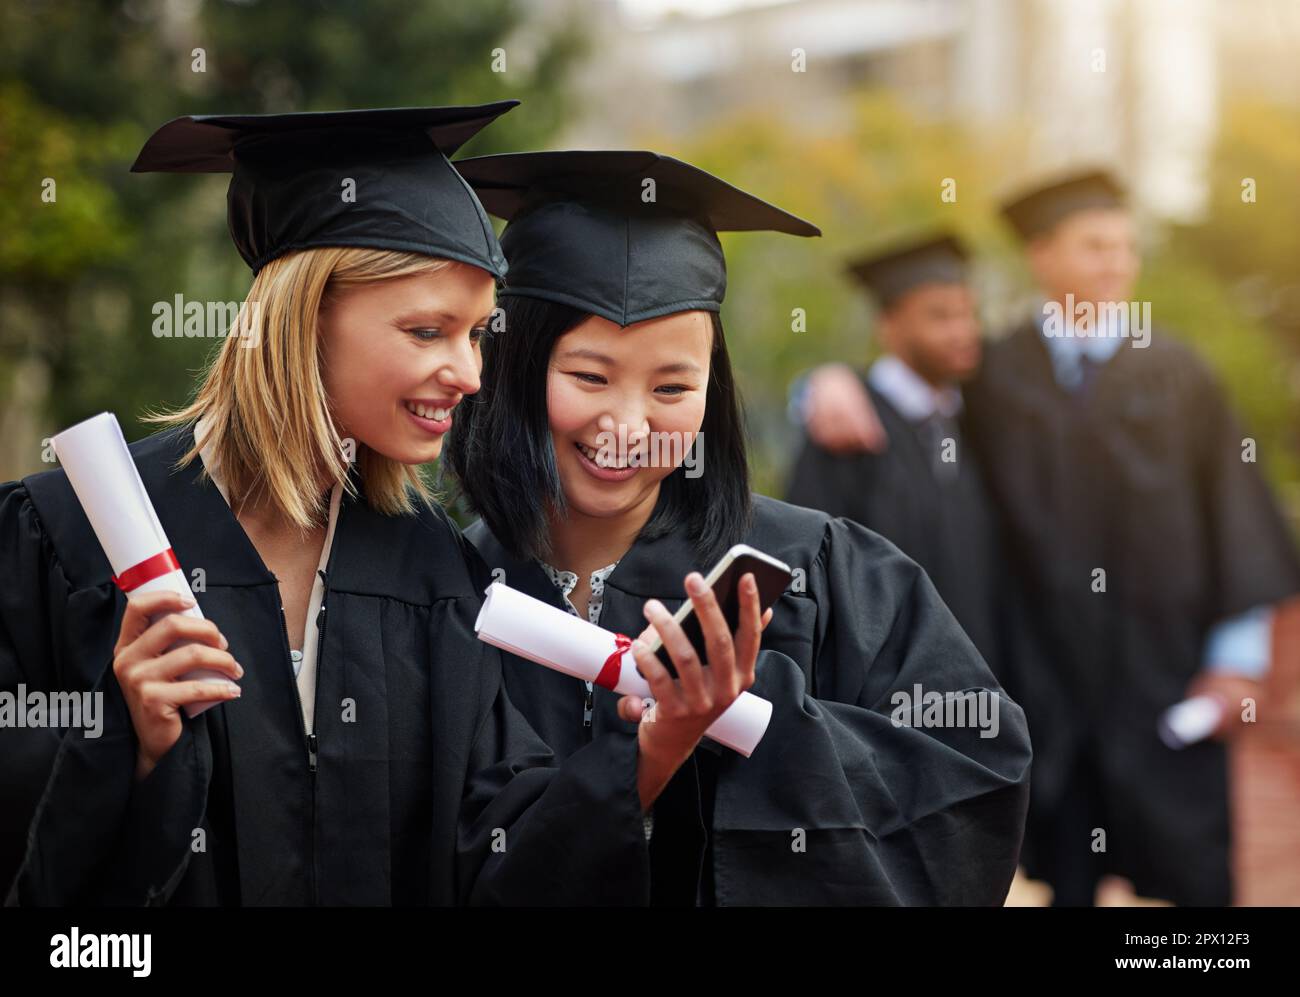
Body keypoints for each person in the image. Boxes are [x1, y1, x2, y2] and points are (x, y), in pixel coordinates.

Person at [1, 108, 759, 906]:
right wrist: (125, 746)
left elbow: (501, 868)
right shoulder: (63, 539)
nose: (468, 372)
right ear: (301, 322)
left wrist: (649, 745)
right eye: (428, 330)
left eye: (475, 335)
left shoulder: (428, 566)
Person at [446, 150, 1032, 905]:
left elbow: (975, 776)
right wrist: (643, 758)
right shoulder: (449, 589)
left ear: (711, 389)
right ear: (514, 365)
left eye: (672, 386)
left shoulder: (818, 568)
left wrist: (760, 714)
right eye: (589, 376)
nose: (628, 425)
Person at [792, 168, 1300, 905]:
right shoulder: (995, 372)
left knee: (1195, 884)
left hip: (1164, 678)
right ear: (1042, 256)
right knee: (1060, 871)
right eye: (1095, 245)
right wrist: (822, 384)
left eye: (1125, 247)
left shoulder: (1178, 370)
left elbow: (1236, 514)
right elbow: (905, 398)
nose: (1116, 263)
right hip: (1046, 691)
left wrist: (1236, 663)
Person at [786, 232, 1004, 665]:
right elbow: (811, 564)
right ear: (887, 326)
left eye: (969, 315)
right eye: (940, 317)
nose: (964, 332)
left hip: (980, 676)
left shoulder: (978, 418)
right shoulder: (847, 430)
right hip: (884, 683)